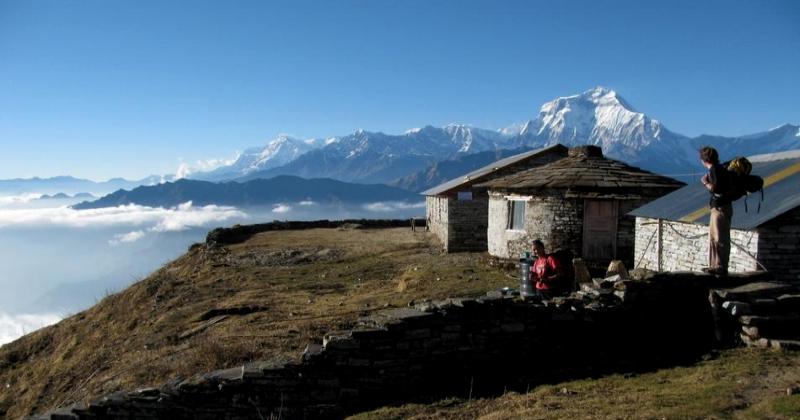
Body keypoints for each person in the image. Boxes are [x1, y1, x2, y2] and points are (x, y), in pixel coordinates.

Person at [699, 146, 732, 275]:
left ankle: (719, 266)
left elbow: (716, 189)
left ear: (704, 159)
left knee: (718, 237)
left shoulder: (715, 170)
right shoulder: (720, 169)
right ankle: (715, 265)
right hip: (723, 207)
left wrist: (705, 182)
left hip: (720, 208)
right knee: (716, 236)